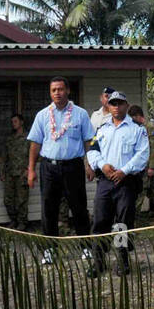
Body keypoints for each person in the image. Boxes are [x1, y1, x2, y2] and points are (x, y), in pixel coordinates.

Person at [26, 76, 95, 250]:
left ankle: (85, 246)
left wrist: (90, 164)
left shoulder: (80, 114)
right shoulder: (42, 115)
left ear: (68, 91)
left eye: (60, 89)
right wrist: (31, 170)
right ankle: (50, 249)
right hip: (49, 167)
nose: (57, 93)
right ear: (50, 93)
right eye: (54, 90)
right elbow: (35, 144)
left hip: (73, 166)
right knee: (48, 209)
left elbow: (89, 141)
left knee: (79, 207)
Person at [86, 91, 149, 276]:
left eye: (120, 103)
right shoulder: (102, 128)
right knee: (99, 222)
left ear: (126, 106)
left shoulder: (137, 129)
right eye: (113, 103)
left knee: (122, 224)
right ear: (109, 106)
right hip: (105, 182)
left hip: (126, 182)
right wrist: (102, 165)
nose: (116, 106)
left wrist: (125, 170)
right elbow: (92, 151)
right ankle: (98, 262)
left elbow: (142, 154)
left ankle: (122, 261)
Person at [130, 104, 154, 219]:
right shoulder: (139, 128)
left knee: (141, 190)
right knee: (153, 190)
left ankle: (133, 217)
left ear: (137, 116)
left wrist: (152, 167)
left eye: (132, 118)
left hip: (147, 166)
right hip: (140, 165)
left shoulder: (149, 127)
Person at [0, 112, 31, 228]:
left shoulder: (28, 138)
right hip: (10, 173)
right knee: (8, 199)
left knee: (21, 200)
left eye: (15, 121)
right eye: (12, 122)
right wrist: (2, 171)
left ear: (21, 122)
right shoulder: (10, 139)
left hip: (23, 173)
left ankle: (22, 222)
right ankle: (13, 220)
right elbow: (4, 156)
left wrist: (29, 169)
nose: (13, 124)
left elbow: (33, 155)